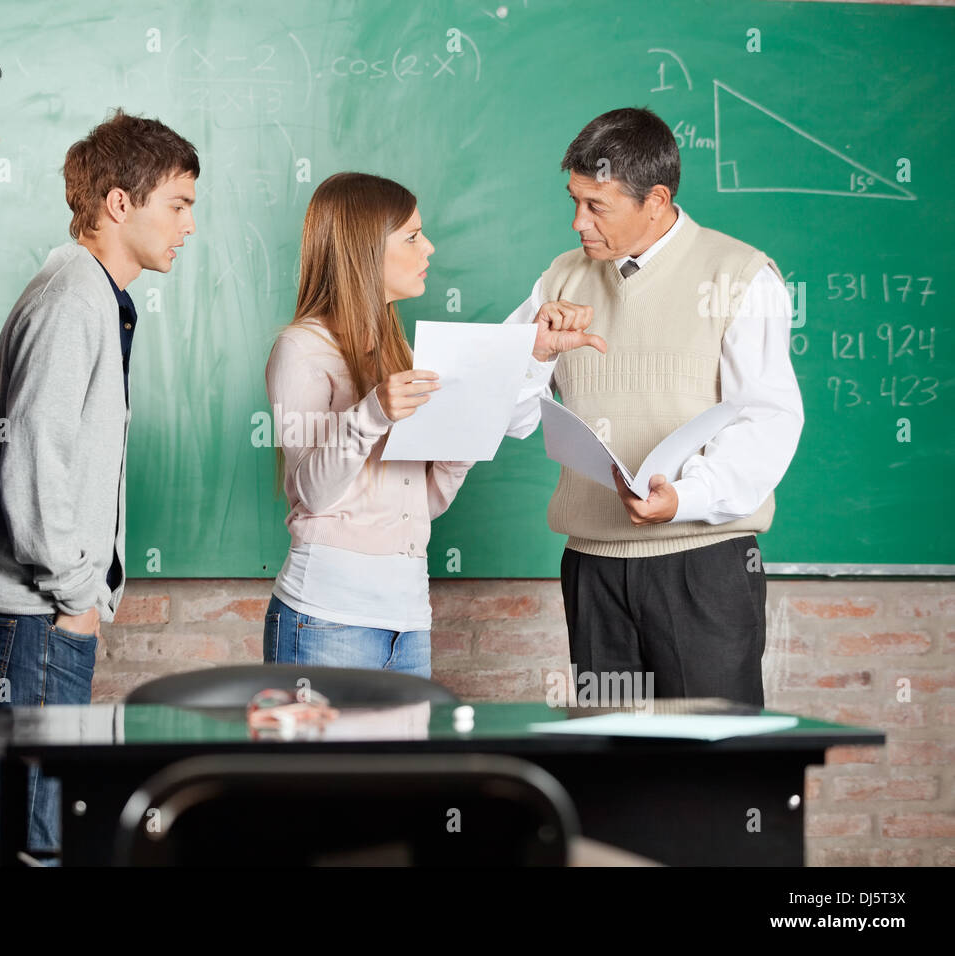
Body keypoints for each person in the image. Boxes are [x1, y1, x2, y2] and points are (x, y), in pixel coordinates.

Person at [505, 107, 804, 707]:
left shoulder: (739, 275)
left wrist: (684, 499)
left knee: (711, 762)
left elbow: (766, 418)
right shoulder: (560, 279)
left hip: (703, 566)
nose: (577, 222)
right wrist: (535, 354)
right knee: (608, 756)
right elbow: (508, 419)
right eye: (574, 200)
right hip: (592, 568)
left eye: (597, 206)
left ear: (656, 199)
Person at [0, 110, 198, 865]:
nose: (189, 226)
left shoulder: (90, 293)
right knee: (40, 844)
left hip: (44, 611)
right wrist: (76, 595)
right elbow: (34, 456)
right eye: (179, 204)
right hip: (38, 615)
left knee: (32, 833)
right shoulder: (74, 298)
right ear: (119, 203)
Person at [261, 172, 467, 678]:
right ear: (364, 250)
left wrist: (461, 446)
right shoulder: (303, 348)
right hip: (326, 620)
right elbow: (313, 492)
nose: (430, 248)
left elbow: (423, 507)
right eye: (413, 236)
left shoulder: (400, 354)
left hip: (410, 620)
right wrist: (372, 413)